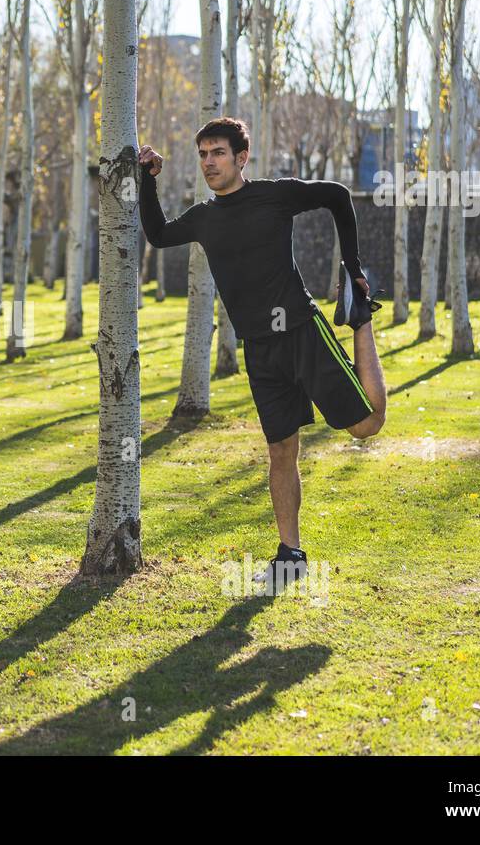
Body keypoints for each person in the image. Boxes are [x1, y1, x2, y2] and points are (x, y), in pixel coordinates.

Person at [137, 116, 387, 591]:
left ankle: (362, 320)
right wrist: (148, 181)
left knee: (366, 426)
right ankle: (290, 555)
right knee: (280, 450)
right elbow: (158, 234)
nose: (210, 162)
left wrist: (351, 265)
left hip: (302, 334)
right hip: (261, 351)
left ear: (241, 158)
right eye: (204, 154)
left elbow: (336, 194)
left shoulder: (274, 195)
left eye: (218, 153)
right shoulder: (204, 218)